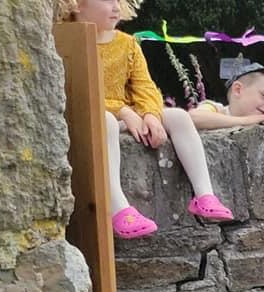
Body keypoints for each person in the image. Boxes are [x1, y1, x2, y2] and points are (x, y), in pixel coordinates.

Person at [64, 0, 234, 239]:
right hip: (96, 116)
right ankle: (119, 208)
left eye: (118, 1)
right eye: (107, 0)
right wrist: (123, 112)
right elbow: (78, 91)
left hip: (129, 115)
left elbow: (145, 86)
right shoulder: (65, 41)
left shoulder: (126, 43)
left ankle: (204, 195)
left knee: (178, 117)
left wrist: (151, 116)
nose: (116, 7)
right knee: (107, 121)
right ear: (77, 5)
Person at [188, 65, 264, 130]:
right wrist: (246, 121)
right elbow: (193, 118)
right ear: (238, 90)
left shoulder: (262, 125)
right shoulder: (216, 109)